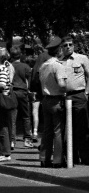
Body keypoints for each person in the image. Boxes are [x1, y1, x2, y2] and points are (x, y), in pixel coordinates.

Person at [59, 35, 89, 165]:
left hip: (79, 95)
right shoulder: (59, 61)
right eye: (65, 45)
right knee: (66, 128)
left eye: (70, 44)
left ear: (74, 45)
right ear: (62, 47)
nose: (68, 47)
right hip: (64, 97)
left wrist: (87, 92)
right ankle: (72, 157)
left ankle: (85, 156)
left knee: (82, 127)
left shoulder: (82, 58)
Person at [37, 37, 66, 167]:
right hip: (56, 99)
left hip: (45, 100)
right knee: (58, 131)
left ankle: (44, 158)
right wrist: (67, 86)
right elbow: (61, 84)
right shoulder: (57, 66)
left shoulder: (43, 66)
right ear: (59, 50)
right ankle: (58, 160)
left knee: (46, 131)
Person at [9, 46, 34, 150]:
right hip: (23, 92)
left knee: (12, 118)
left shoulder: (8, 66)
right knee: (26, 116)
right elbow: (29, 81)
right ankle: (27, 140)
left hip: (12, 92)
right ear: (21, 55)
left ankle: (12, 141)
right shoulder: (25, 66)